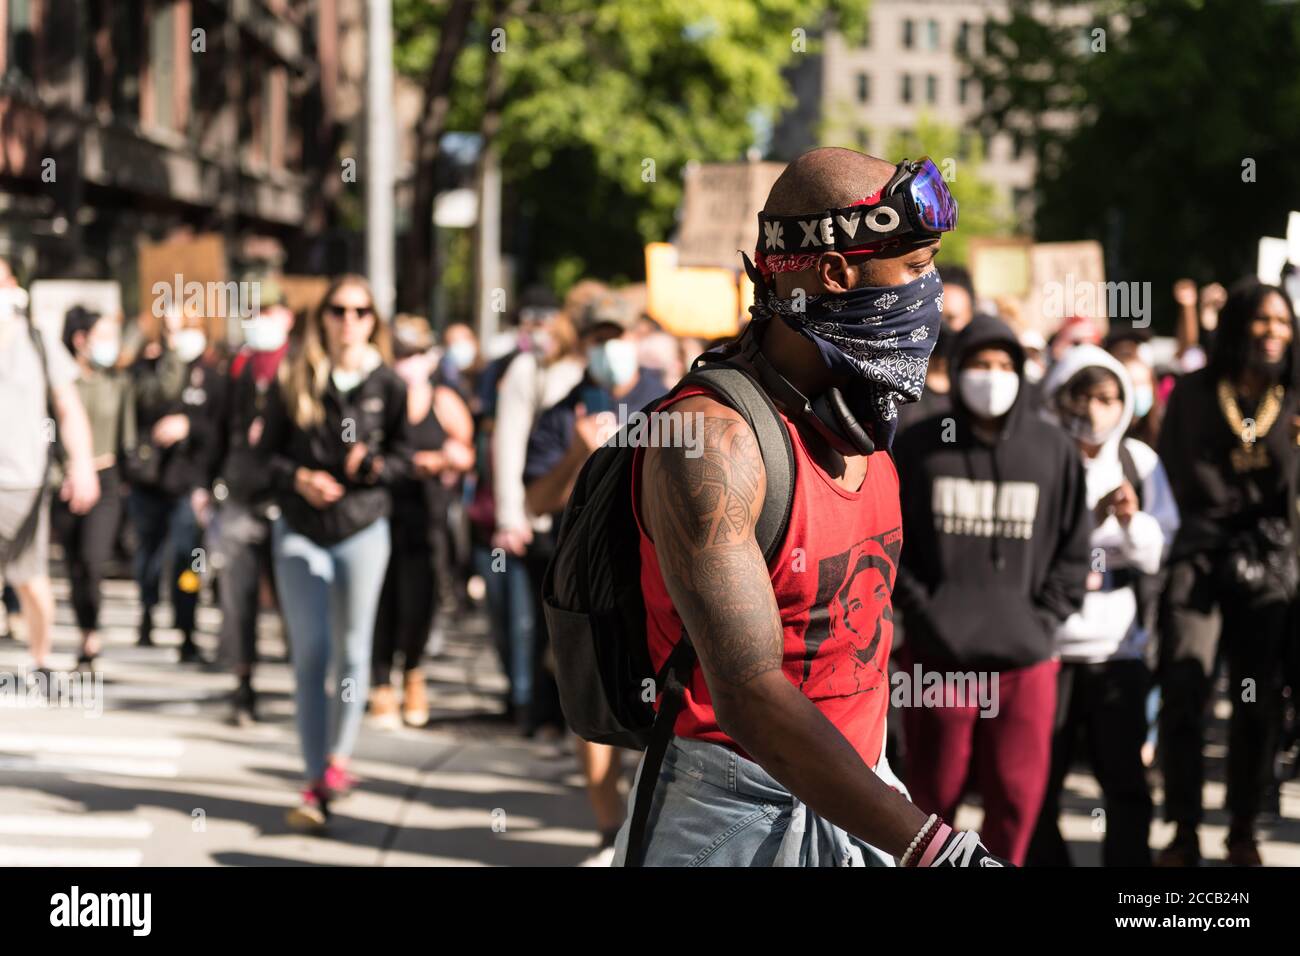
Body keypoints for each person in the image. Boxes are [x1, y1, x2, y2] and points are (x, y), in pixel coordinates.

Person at [613, 148, 1005, 868]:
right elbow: (751, 695)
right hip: (730, 820)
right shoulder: (712, 443)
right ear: (834, 273)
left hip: (860, 791)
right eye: (916, 269)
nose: (935, 294)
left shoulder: (864, 421)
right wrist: (933, 849)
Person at [892, 312, 1092, 866]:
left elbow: (1075, 550)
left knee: (1017, 803)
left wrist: (1041, 622)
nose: (991, 375)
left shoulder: (1052, 450)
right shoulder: (918, 446)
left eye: (1004, 365)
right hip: (937, 662)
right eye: (979, 364)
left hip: (1024, 666)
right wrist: (924, 613)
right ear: (956, 371)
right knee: (932, 809)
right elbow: (890, 540)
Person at [1154, 279, 1300, 867]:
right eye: (1262, 321)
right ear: (1237, 326)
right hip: (1200, 559)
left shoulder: (1294, 398)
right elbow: (1168, 476)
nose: (1273, 332)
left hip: (1267, 566)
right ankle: (1184, 828)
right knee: (1185, 690)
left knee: (1255, 701)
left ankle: (1243, 828)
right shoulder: (1192, 393)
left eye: (1283, 323)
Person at [258, 275, 411, 830]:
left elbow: (405, 460)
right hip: (301, 528)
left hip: (362, 528)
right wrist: (299, 478)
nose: (349, 320)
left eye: (361, 311)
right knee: (311, 654)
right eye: (338, 310)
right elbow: (261, 458)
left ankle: (338, 761)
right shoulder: (293, 377)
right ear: (321, 316)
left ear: (373, 319)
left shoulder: (388, 383)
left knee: (352, 653)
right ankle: (314, 778)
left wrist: (369, 467)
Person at [523, 291, 667, 866]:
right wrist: (575, 458)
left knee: (662, 708)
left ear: (636, 338)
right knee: (595, 701)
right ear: (584, 345)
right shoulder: (563, 412)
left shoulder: (671, 397)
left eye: (619, 336)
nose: (610, 348)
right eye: (599, 338)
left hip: (660, 580)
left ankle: (650, 825)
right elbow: (536, 501)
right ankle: (608, 833)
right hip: (592, 586)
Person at [1028, 345, 1179, 866]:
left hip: (1118, 649)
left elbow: (1160, 551)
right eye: (1085, 397)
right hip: (1050, 648)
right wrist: (1086, 520)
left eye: (1109, 398)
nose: (1096, 411)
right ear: (1061, 399)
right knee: (1040, 783)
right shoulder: (1041, 457)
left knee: (1125, 785)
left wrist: (1132, 521)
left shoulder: (1139, 461)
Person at [488, 291, 588, 728]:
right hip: (542, 515)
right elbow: (508, 443)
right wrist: (512, 516)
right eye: (531, 318)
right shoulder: (529, 369)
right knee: (533, 620)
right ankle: (533, 707)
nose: (540, 327)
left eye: (548, 318)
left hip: (581, 519)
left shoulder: (587, 371)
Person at [370, 315, 475, 729]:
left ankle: (413, 671)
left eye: (414, 355)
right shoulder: (380, 398)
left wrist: (443, 459)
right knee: (381, 601)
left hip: (426, 518)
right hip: (380, 514)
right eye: (399, 355)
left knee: (419, 602)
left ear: (429, 358)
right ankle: (381, 682)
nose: (407, 363)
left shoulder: (443, 399)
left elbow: (466, 452)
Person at [0, 264, 100, 681]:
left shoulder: (37, 341)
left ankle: (40, 660)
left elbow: (69, 407)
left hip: (23, 480)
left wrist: (82, 464)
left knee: (30, 580)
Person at [209, 285, 295, 725]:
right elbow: (219, 428)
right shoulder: (239, 365)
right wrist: (208, 483)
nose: (260, 319)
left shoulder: (300, 366)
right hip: (241, 495)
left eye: (269, 311)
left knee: (292, 598)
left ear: (287, 317)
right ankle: (243, 685)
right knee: (238, 596)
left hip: (287, 498)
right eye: (255, 312)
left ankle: (305, 683)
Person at [125, 302, 227, 662]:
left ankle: (187, 630)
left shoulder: (212, 376)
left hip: (189, 485)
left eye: (183, 326)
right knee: (148, 556)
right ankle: (147, 613)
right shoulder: (151, 369)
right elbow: (137, 408)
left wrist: (189, 427)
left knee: (190, 560)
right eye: (169, 327)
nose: (177, 334)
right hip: (150, 481)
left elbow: (220, 430)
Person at [51, 305, 135, 671]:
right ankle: (85, 633)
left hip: (106, 480)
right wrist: (65, 474)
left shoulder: (118, 383)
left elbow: (127, 440)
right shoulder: (58, 384)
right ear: (79, 339)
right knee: (74, 567)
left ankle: (93, 636)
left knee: (92, 560)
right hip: (64, 482)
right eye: (101, 336)